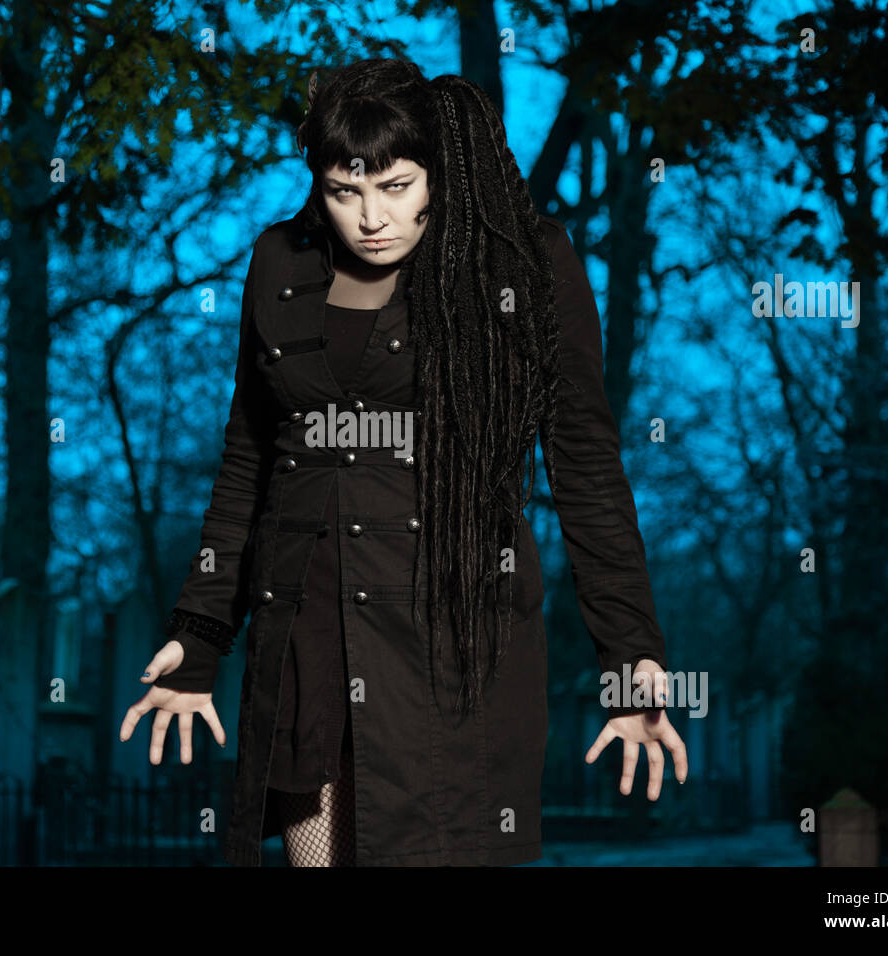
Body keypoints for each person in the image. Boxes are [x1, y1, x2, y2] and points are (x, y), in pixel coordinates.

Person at [119, 57, 687, 867]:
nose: (371, 217)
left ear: (438, 174)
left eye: (396, 186)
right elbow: (249, 458)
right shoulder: (279, 263)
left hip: (450, 631)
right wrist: (202, 632)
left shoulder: (520, 266)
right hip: (308, 629)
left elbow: (587, 467)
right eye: (345, 191)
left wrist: (630, 659)